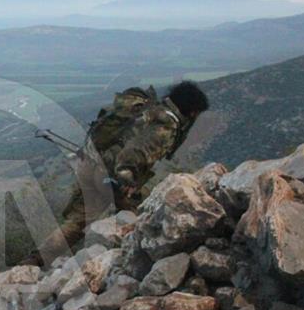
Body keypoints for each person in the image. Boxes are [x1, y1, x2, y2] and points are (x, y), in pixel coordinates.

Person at [22, 81, 209, 267]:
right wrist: (127, 179)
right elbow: (134, 152)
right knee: (145, 215)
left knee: (78, 221)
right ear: (192, 111)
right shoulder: (166, 124)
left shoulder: (150, 110)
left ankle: (34, 260)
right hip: (111, 175)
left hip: (91, 163)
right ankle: (136, 264)